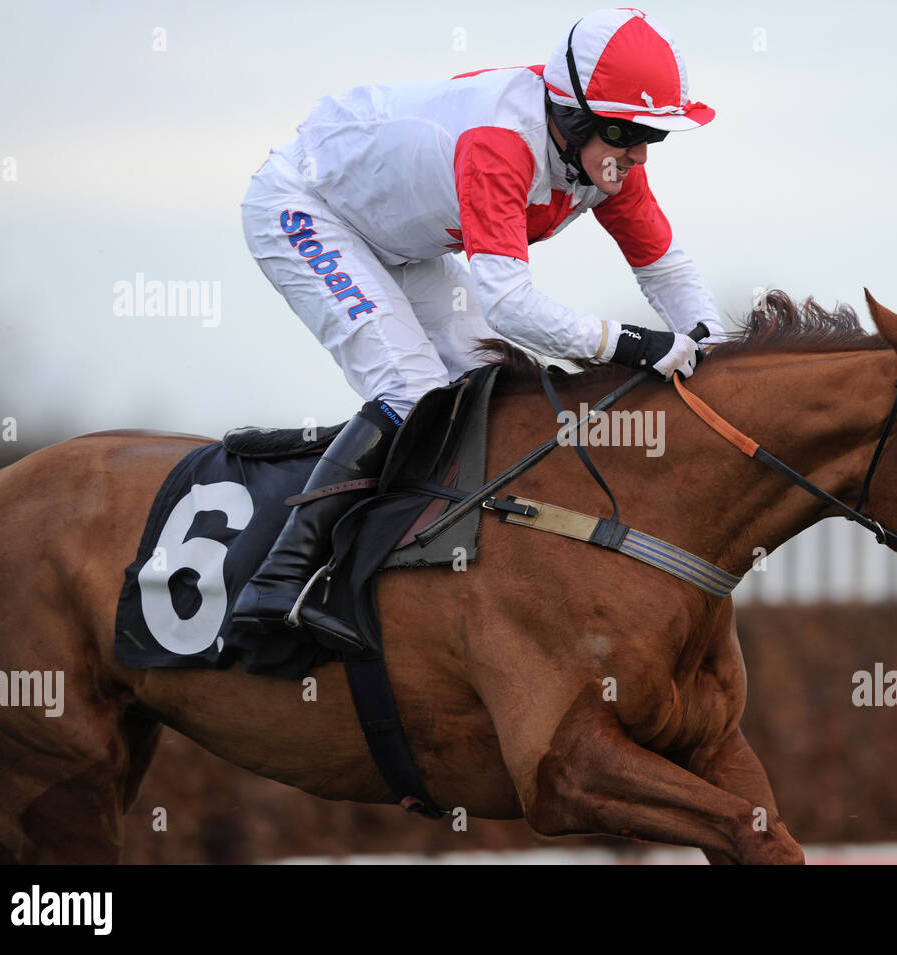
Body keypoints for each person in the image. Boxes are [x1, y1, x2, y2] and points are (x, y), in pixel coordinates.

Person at [232, 7, 724, 650]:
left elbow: (665, 268)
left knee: (487, 391)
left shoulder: (605, 163)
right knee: (413, 393)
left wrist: (719, 350)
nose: (636, 153)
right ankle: (276, 584)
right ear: (571, 119)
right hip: (306, 207)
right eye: (624, 132)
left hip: (400, 238)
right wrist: (636, 345)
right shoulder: (502, 142)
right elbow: (511, 304)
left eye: (649, 137)